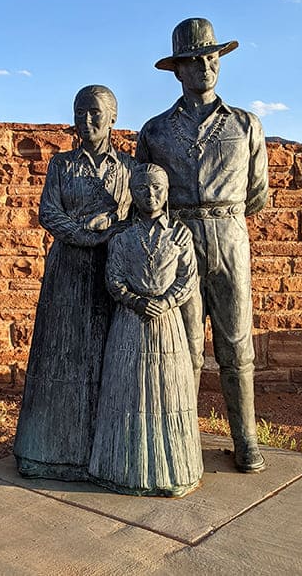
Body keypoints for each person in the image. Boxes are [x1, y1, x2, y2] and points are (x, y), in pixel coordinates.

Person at [136, 17, 269, 473]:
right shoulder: (155, 132)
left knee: (236, 344)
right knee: (187, 346)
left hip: (230, 236)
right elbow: (143, 191)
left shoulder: (246, 125)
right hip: (180, 241)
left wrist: (223, 219)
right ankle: (183, 438)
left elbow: (257, 194)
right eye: (194, 61)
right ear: (178, 70)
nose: (205, 67)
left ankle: (246, 439)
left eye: (211, 58)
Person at [14, 85, 135, 480]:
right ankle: (48, 452)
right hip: (67, 268)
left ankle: (102, 453)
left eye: (96, 112)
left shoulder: (129, 169)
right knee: (61, 355)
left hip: (110, 269)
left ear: (113, 117)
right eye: (80, 112)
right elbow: (48, 212)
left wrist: (108, 231)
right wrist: (84, 235)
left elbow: (139, 217)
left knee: (106, 357)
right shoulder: (61, 165)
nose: (87, 120)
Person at [88, 163, 203, 497]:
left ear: (166, 192)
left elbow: (188, 278)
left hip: (167, 326)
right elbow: (114, 279)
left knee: (169, 392)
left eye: (156, 188)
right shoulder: (123, 238)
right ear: (132, 194)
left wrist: (166, 302)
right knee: (129, 391)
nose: (150, 196)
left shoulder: (180, 236)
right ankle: (123, 469)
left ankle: (174, 470)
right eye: (141, 189)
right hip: (130, 325)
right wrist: (137, 302)